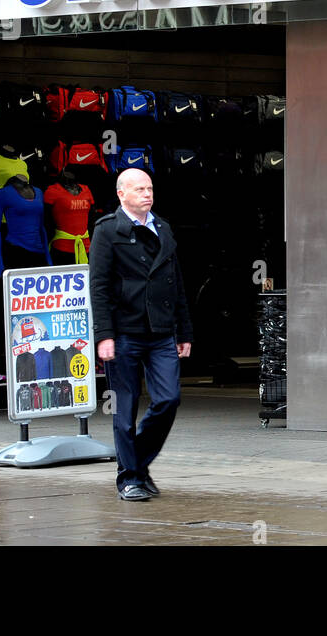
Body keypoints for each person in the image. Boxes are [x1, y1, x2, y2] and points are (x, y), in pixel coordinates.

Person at [89, 168, 193, 501]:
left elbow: (175, 283)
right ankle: (130, 478)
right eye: (139, 189)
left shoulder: (162, 227)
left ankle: (138, 462)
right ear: (122, 195)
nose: (147, 194)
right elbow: (99, 287)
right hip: (124, 332)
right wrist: (104, 335)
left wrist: (184, 330)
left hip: (161, 330)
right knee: (124, 408)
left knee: (168, 399)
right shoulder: (107, 230)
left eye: (150, 188)